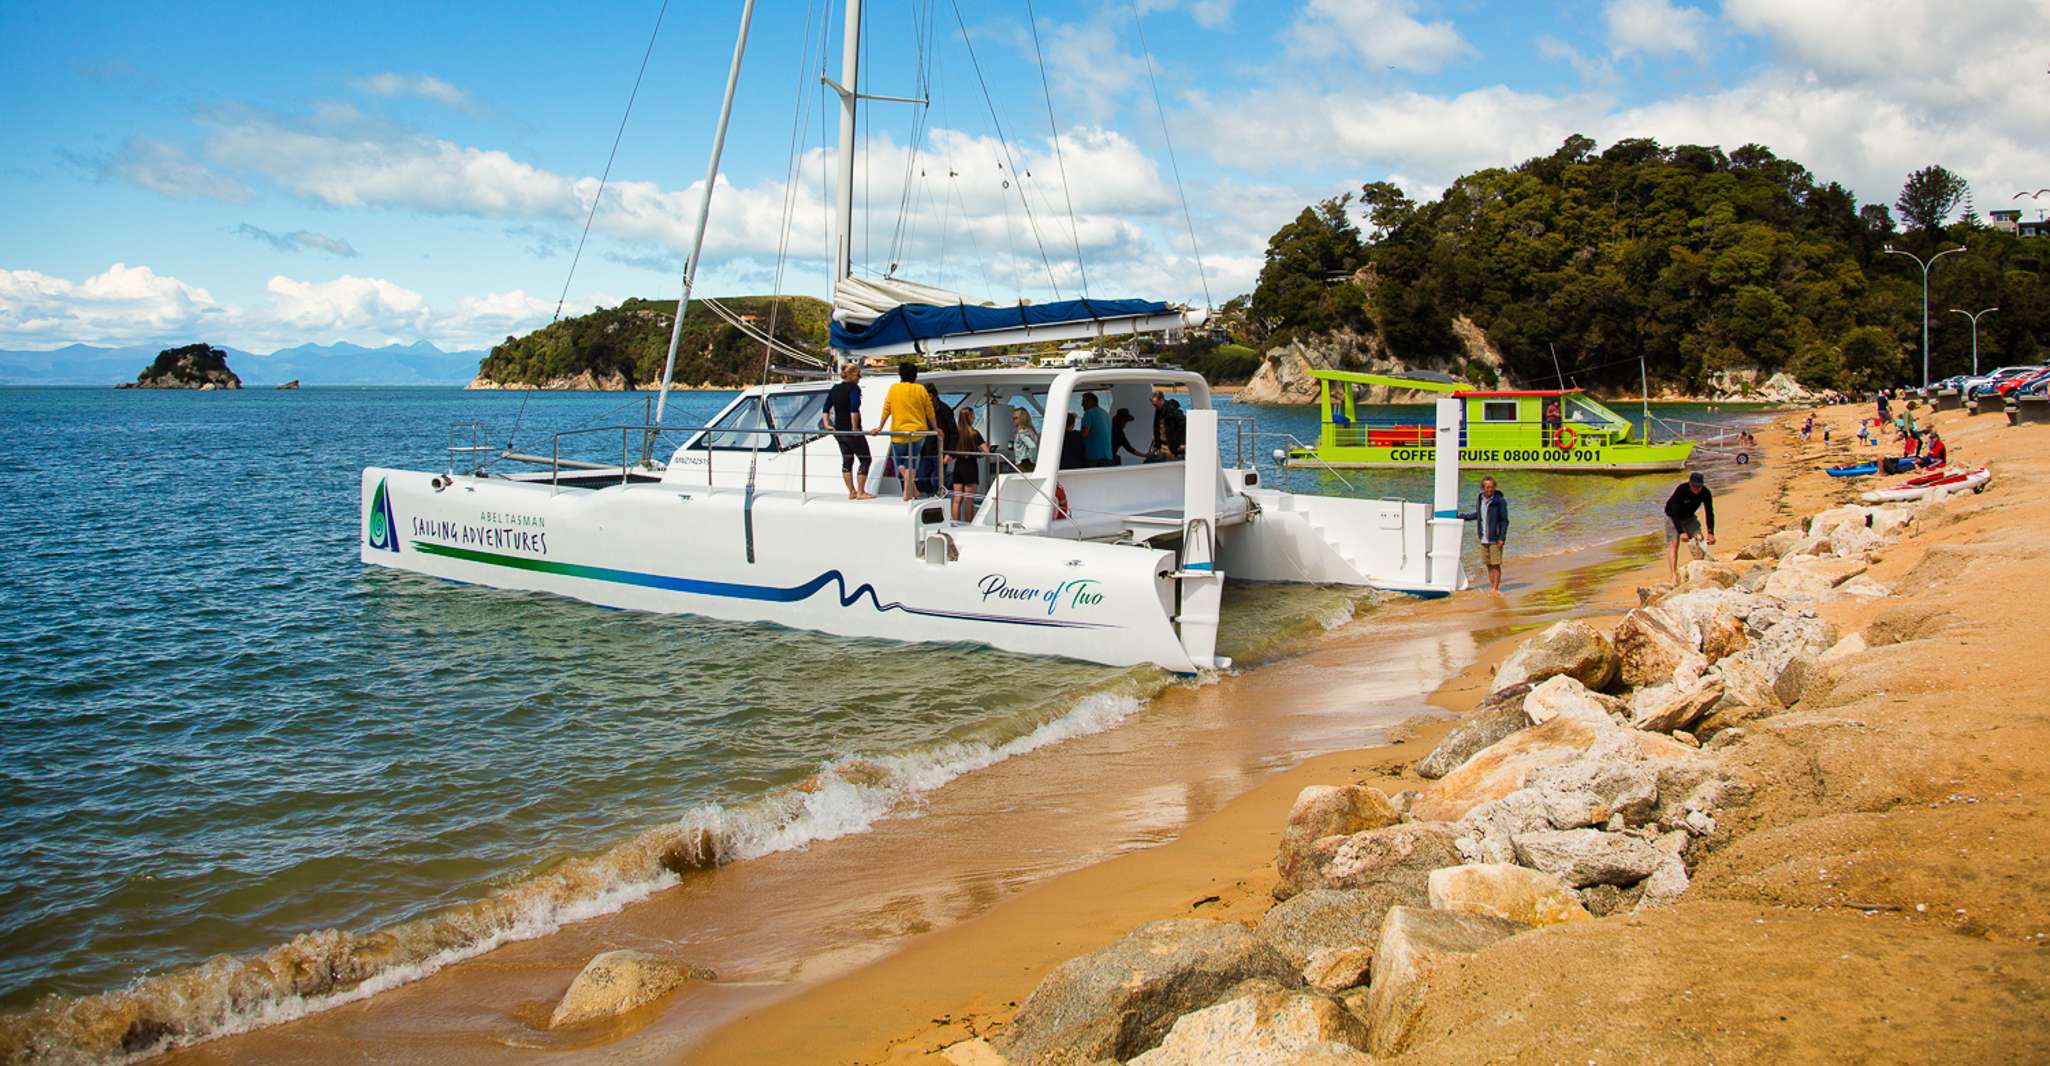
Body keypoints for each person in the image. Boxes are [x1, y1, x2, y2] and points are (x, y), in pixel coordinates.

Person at [875, 362, 937, 500]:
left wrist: (880, 426)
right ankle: (911, 490)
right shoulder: (920, 389)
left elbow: (887, 409)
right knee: (912, 463)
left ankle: (907, 492)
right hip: (917, 433)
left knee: (900, 464)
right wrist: (935, 428)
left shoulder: (894, 389)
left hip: (898, 433)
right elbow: (929, 411)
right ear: (915, 375)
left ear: (900, 374)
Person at [821, 361, 874, 499]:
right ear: (851, 375)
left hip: (839, 430)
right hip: (850, 431)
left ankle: (851, 491)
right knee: (865, 459)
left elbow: (826, 408)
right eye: (858, 375)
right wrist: (855, 428)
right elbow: (854, 408)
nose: (859, 378)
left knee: (847, 459)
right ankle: (861, 492)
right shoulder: (853, 388)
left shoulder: (835, 388)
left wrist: (827, 424)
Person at [1458, 475, 1509, 593]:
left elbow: (1504, 521)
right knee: (1488, 564)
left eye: (1491, 487)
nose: (1489, 489)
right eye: (1487, 487)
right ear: (1483, 488)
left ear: (1494, 487)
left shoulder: (1499, 501)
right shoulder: (1480, 499)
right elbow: (1479, 515)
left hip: (1495, 538)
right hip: (1483, 538)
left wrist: (1502, 538)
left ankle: (1495, 589)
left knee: (1495, 564)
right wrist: (1463, 516)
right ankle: (1493, 587)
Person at [1663, 471, 1716, 583]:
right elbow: (1674, 511)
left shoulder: (1705, 493)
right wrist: (1681, 532)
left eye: (1699, 486)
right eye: (1694, 486)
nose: (1696, 489)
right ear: (1690, 484)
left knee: (1699, 538)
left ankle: (1701, 566)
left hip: (1689, 517)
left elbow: (1709, 512)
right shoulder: (1682, 490)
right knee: (1674, 544)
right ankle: (1673, 575)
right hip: (1673, 517)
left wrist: (1711, 533)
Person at [949, 405, 989, 521]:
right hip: (970, 466)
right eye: (973, 415)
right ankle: (968, 523)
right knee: (969, 499)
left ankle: (955, 522)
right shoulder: (974, 433)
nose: (975, 417)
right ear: (970, 417)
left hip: (958, 466)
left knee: (957, 499)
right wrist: (978, 453)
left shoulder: (956, 433)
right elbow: (986, 451)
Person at [922, 383, 956, 496]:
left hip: (940, 452)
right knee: (923, 478)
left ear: (931, 396)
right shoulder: (924, 410)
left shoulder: (945, 410)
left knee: (936, 480)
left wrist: (950, 453)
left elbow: (953, 432)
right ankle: (929, 498)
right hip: (926, 451)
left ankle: (939, 499)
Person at [1149, 390, 1186, 460]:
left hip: (1172, 445)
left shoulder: (1173, 410)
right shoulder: (1158, 410)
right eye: (1153, 404)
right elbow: (1157, 426)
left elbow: (1184, 425)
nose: (1154, 406)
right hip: (1162, 446)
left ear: (1161, 400)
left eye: (1155, 404)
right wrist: (1156, 441)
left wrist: (1182, 443)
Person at [1080, 392, 1113, 467]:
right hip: (1108, 456)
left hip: (1094, 457)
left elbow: (1084, 434)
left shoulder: (1089, 413)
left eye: (1083, 402)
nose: (1082, 405)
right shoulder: (1106, 414)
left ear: (1091, 401)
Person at [1008, 407, 1039, 472]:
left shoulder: (1022, 433)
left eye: (1015, 418)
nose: (1013, 420)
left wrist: (1032, 460)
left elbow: (1032, 446)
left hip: (1023, 463)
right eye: (1013, 418)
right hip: (1028, 462)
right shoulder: (1031, 431)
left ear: (1022, 419)